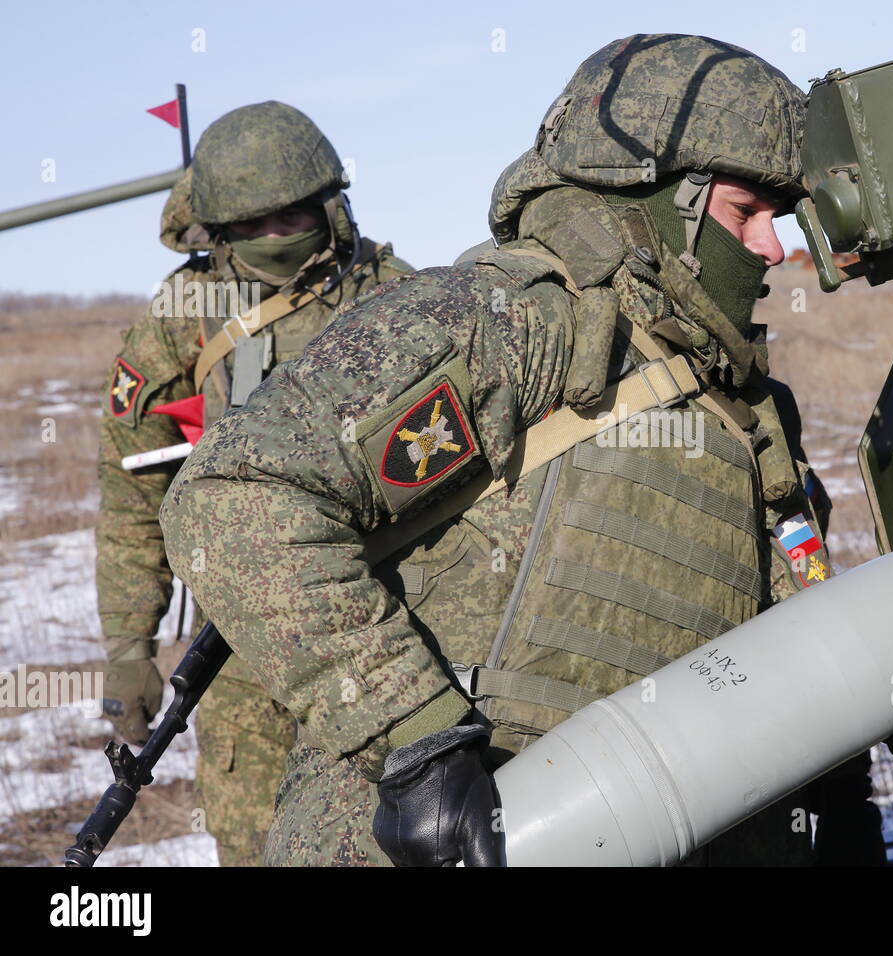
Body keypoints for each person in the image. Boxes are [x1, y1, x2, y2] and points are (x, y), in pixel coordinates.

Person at [160, 36, 849, 866]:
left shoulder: (750, 413)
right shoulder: (509, 322)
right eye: (749, 214)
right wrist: (416, 742)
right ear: (668, 202)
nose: (775, 249)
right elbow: (233, 497)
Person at [96, 101, 412, 866]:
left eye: (292, 218)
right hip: (237, 646)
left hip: (385, 627)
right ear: (215, 227)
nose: (275, 239)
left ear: (329, 205)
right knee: (254, 842)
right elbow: (132, 488)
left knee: (387, 837)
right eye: (250, 226)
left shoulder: (395, 294)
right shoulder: (184, 313)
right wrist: (126, 646)